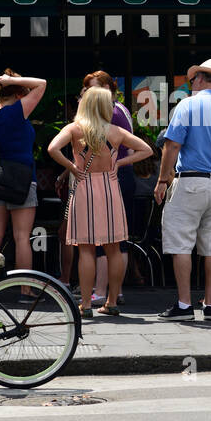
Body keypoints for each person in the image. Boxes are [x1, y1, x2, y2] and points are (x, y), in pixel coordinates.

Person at [152, 58, 211, 321]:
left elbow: (171, 146)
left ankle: (184, 305)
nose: (191, 83)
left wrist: (162, 180)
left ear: (203, 79)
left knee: (182, 244)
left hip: (191, 181)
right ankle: (210, 305)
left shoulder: (188, 105)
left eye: (193, 79)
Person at [48, 86, 152, 317]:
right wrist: (119, 164)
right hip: (109, 188)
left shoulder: (75, 129)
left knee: (85, 250)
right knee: (113, 249)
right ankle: (112, 302)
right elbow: (146, 150)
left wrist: (71, 166)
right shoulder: (116, 131)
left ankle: (85, 305)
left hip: (84, 187)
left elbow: (52, 148)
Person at [0, 70, 47, 275]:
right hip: (21, 178)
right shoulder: (18, 111)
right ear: (19, 93)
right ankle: (25, 290)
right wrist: (12, 80)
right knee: (21, 236)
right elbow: (42, 82)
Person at [81, 71, 138, 307]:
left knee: (107, 239)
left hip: (112, 176)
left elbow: (133, 149)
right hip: (115, 175)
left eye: (92, 89)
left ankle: (103, 291)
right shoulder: (118, 110)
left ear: (105, 88)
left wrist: (117, 162)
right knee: (115, 239)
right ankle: (114, 292)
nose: (88, 94)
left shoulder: (113, 112)